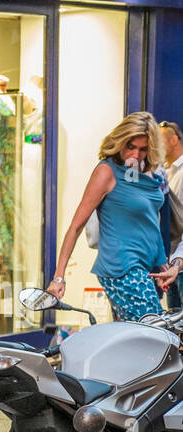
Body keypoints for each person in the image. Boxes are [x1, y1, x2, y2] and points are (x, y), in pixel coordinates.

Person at [48, 112, 168, 322]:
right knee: (156, 333)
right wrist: (59, 277)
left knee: (141, 339)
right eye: (130, 146)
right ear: (119, 141)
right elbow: (76, 226)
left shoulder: (146, 174)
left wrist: (162, 264)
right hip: (122, 267)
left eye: (143, 149)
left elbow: (150, 221)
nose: (136, 154)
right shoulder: (106, 172)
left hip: (147, 267)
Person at [160, 120, 183, 310]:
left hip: (181, 261)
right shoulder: (165, 172)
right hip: (170, 262)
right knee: (174, 323)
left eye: (160, 141)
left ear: (174, 140)